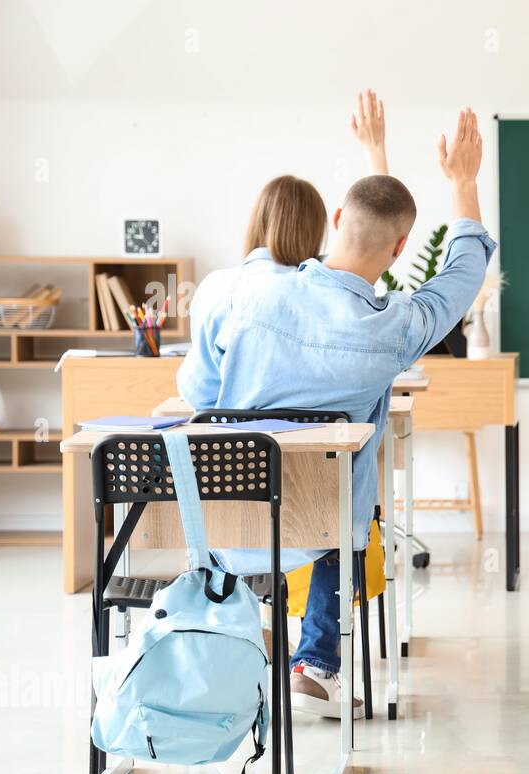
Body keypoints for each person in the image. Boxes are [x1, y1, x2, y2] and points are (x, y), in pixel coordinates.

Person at [178, 108, 495, 719]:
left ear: (337, 221)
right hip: (322, 523)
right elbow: (461, 276)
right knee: (343, 498)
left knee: (291, 484)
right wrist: (463, 184)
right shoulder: (393, 327)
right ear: (402, 247)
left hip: (230, 517)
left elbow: (201, 396)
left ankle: (230, 640)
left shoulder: (239, 292)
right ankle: (316, 665)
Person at [179, 90, 391, 409]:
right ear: (319, 230)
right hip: (329, 453)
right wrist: (375, 150)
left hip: (236, 455)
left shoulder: (217, 288)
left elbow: (198, 393)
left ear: (257, 222)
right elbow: (377, 235)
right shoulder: (330, 292)